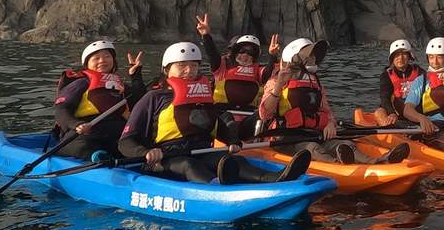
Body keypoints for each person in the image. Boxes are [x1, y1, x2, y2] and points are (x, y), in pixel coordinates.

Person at [118, 41, 309, 184]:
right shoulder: (154, 98)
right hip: (165, 159)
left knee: (233, 160)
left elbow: (217, 126)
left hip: (200, 150)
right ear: (167, 70)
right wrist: (146, 152)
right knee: (188, 165)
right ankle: (217, 189)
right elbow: (126, 141)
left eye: (193, 65)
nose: (189, 70)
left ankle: (275, 178)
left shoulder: (203, 94)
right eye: (182, 66)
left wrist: (232, 141)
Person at [259, 38, 410, 165]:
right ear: (296, 59)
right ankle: (339, 167)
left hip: (313, 134)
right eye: (309, 56)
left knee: (346, 144)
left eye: (313, 55)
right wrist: (278, 86)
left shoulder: (315, 82)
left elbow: (327, 111)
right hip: (286, 138)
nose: (313, 58)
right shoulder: (276, 81)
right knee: (312, 148)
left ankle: (377, 162)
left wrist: (330, 124)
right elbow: (265, 114)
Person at [52, 40, 149, 160]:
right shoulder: (81, 83)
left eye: (107, 56)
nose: (102, 60)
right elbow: (61, 109)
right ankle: (98, 157)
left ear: (114, 61)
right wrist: (76, 124)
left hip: (115, 131)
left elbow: (140, 103)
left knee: (137, 141)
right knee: (83, 144)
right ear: (87, 64)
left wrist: (136, 76)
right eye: (96, 58)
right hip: (87, 130)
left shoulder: (119, 85)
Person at [196, 12, 280, 141]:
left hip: (247, 119)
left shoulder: (258, 71)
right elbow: (212, 54)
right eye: (241, 51)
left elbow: (269, 73)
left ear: (254, 56)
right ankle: (232, 141)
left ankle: (255, 143)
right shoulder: (222, 67)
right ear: (235, 53)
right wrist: (206, 35)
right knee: (228, 118)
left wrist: (272, 56)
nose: (245, 55)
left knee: (263, 115)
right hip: (223, 117)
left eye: (250, 52)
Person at [375, 39, 423, 126]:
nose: (400, 58)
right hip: (394, 111)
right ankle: (389, 132)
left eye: (404, 54)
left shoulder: (419, 71)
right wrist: (391, 113)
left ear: (409, 56)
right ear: (392, 58)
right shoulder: (386, 75)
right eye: (397, 55)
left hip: (414, 111)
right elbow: (384, 98)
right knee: (379, 112)